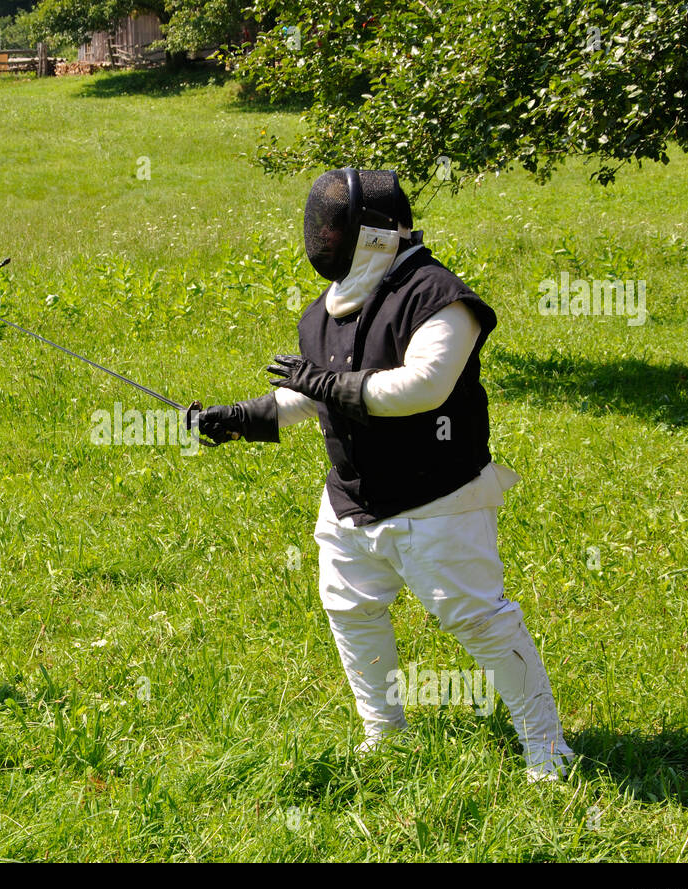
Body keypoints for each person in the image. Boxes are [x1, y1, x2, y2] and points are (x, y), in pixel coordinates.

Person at [194, 169, 575, 780]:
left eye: (333, 225)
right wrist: (244, 417)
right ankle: (385, 735)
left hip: (437, 496)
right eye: (320, 225)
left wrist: (325, 384)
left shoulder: (440, 297)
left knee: (479, 621)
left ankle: (547, 747)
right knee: (350, 610)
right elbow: (315, 396)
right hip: (350, 500)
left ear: (371, 234)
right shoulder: (325, 311)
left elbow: (423, 387)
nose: (322, 237)